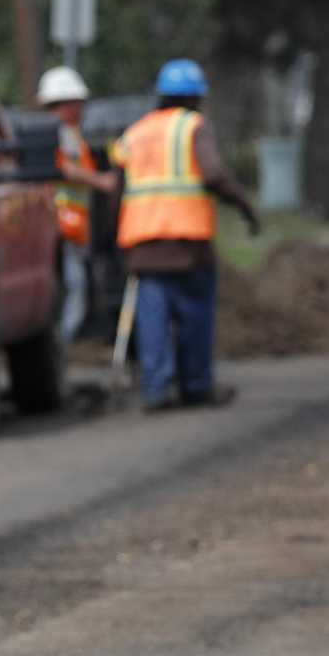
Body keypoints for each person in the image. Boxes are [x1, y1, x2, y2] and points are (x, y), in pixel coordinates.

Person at [107, 58, 260, 411]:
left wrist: (114, 237)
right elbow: (214, 174)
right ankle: (195, 385)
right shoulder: (193, 127)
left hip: (143, 243)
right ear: (194, 98)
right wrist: (245, 207)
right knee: (194, 316)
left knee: (152, 318)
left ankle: (156, 389)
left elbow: (117, 190)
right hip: (187, 241)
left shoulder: (135, 133)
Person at [35, 66, 119, 343]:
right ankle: (63, 341)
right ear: (66, 104)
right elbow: (65, 169)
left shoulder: (59, 132)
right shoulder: (61, 132)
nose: (82, 108)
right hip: (64, 222)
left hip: (68, 223)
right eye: (78, 102)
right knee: (73, 285)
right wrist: (102, 181)